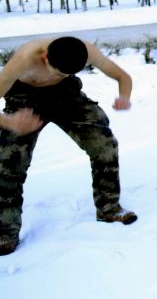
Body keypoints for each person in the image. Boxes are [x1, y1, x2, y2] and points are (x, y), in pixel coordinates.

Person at [0, 36, 137, 256]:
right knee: (8, 164)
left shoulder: (85, 50)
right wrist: (10, 122)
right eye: (56, 71)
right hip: (23, 99)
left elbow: (123, 76)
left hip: (66, 95)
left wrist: (124, 97)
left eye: (63, 73)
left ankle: (109, 208)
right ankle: (5, 232)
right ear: (45, 57)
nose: (55, 75)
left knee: (105, 145)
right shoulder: (24, 59)